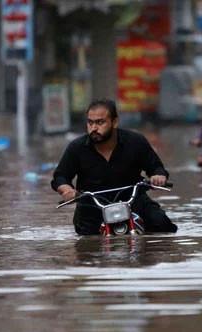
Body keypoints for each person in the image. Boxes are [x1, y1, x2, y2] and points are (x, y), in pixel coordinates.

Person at [52, 99, 178, 235]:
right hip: (92, 206)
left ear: (115, 122)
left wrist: (158, 176)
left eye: (100, 122)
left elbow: (156, 167)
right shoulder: (76, 147)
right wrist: (67, 190)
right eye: (90, 122)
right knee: (87, 239)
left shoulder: (135, 141)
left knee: (163, 225)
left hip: (133, 201)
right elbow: (60, 176)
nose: (94, 128)